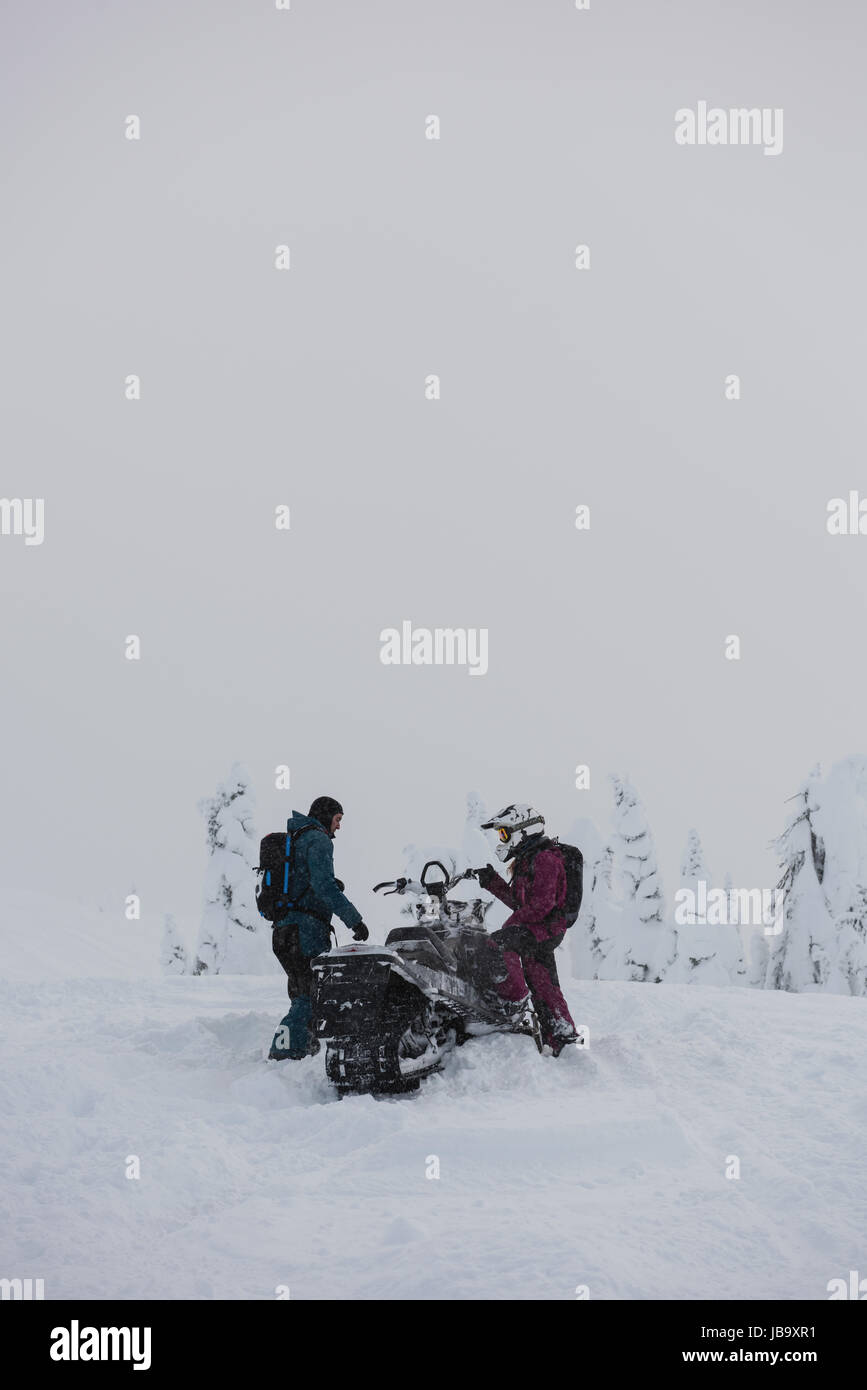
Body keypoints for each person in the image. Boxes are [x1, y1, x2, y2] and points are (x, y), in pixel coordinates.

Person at [474, 804, 579, 1057]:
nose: (502, 839)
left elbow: (542, 905)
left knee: (499, 944)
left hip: (545, 929)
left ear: (524, 831)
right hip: (537, 928)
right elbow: (522, 903)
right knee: (542, 980)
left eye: (504, 834)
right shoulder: (527, 860)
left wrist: (511, 926)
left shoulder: (545, 859)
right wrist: (492, 882)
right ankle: (561, 1036)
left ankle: (512, 1001)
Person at [269, 796, 368, 1061]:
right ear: (326, 816)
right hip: (306, 931)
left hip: (284, 930)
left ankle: (303, 1051)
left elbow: (308, 882)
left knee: (302, 994)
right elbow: (324, 887)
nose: (339, 827)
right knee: (310, 996)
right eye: (337, 820)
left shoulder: (298, 839)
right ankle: (283, 1056)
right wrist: (354, 920)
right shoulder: (318, 839)